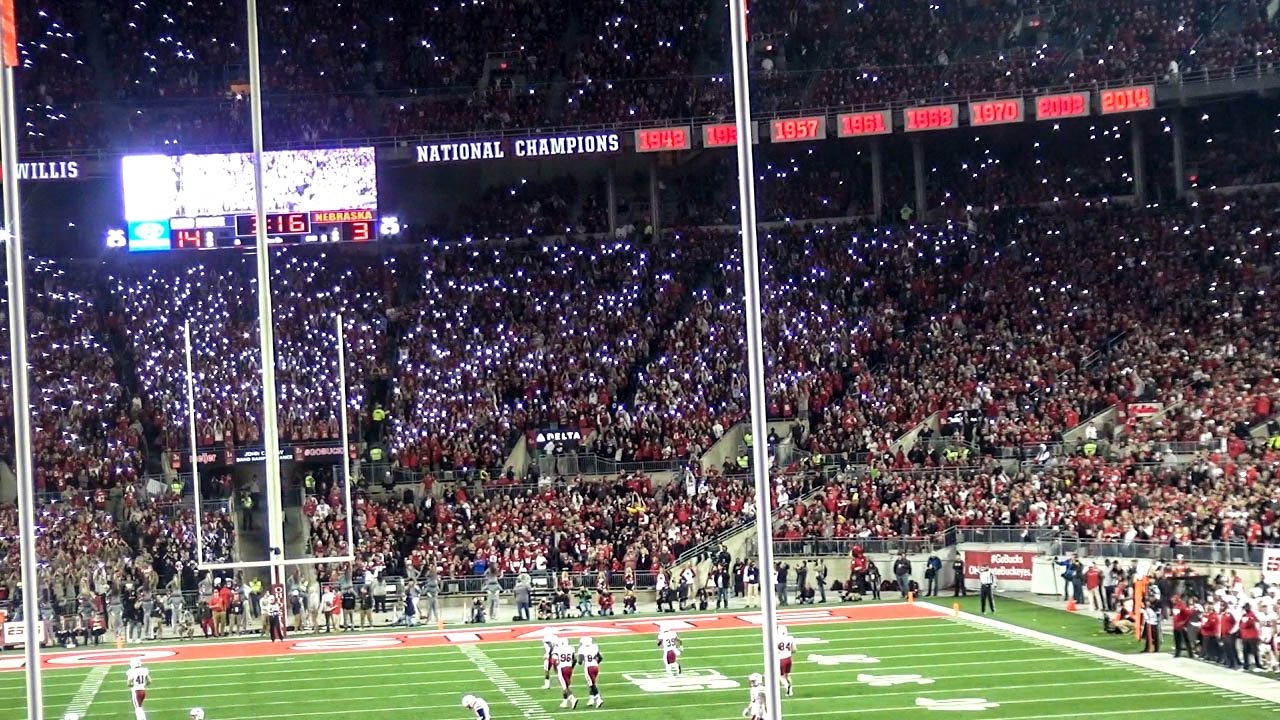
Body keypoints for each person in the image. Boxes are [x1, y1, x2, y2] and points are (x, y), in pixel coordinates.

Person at [551, 636, 579, 709]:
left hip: (562, 668)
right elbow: (575, 660)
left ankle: (572, 699)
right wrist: (571, 667)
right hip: (569, 668)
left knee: (564, 686)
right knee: (566, 685)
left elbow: (553, 661)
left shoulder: (557, 649)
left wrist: (555, 669)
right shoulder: (571, 648)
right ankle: (565, 702)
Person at [578, 636, 604, 707]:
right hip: (595, 666)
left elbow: (580, 661)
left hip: (588, 667)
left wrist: (581, 661)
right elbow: (600, 658)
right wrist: (595, 663)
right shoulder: (595, 647)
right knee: (593, 683)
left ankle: (598, 699)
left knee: (591, 685)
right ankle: (591, 699)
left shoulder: (582, 648)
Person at [777, 625, 795, 696]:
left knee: (781, 676)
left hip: (781, 659)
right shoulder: (790, 638)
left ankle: (787, 687)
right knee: (788, 675)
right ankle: (791, 691)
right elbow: (794, 650)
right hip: (789, 659)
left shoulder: (776, 639)